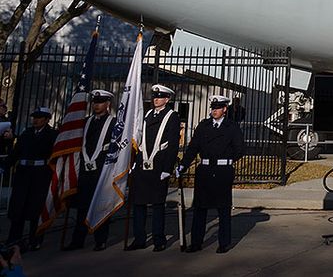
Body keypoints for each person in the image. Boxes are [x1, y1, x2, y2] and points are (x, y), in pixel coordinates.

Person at [179, 95, 245, 253]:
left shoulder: (232, 127)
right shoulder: (204, 126)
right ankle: (196, 242)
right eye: (213, 108)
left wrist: (226, 159)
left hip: (223, 171)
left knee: (223, 209)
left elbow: (239, 149)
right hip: (205, 170)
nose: (214, 111)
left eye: (217, 108)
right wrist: (183, 165)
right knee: (200, 208)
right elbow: (193, 147)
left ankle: (224, 242)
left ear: (224, 109)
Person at [127, 84, 182, 252]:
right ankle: (139, 238)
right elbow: (141, 140)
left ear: (167, 99)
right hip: (142, 166)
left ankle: (159, 239)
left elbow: (172, 145)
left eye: (159, 97)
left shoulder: (172, 116)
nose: (156, 99)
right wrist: (135, 163)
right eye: (154, 97)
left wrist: (167, 168)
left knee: (158, 205)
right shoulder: (148, 114)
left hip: (159, 166)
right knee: (139, 204)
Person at [64, 89, 117, 251]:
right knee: (82, 207)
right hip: (85, 172)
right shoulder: (86, 122)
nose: (96, 105)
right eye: (94, 102)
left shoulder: (113, 123)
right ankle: (77, 240)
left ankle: (100, 239)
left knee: (101, 206)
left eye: (100, 102)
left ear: (107, 104)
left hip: (102, 171)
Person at [4, 107, 56, 249]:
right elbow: (16, 152)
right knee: (18, 208)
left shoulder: (51, 134)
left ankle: (35, 239)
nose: (35, 120)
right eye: (34, 117)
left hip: (40, 175)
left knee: (36, 208)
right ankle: (14, 238)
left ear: (46, 119)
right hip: (23, 174)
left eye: (39, 118)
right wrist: (6, 165)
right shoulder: (26, 133)